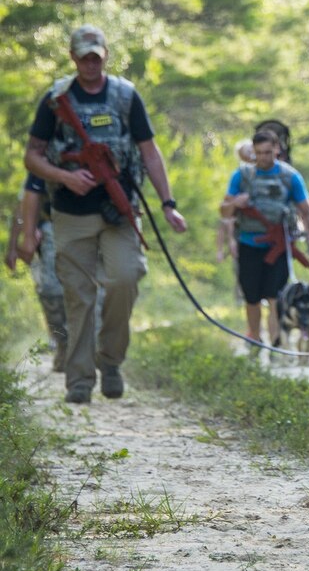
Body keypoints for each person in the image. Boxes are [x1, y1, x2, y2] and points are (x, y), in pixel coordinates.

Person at [24, 24, 188, 404]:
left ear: (105, 56)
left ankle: (110, 360)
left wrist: (168, 204)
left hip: (120, 209)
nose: (90, 63)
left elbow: (149, 151)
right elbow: (32, 155)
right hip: (70, 211)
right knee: (78, 297)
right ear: (73, 58)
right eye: (84, 57)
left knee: (124, 279)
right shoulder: (55, 99)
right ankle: (79, 380)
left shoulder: (126, 96)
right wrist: (66, 175)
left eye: (96, 56)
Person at [220, 128, 309, 352]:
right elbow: (223, 211)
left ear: (277, 150)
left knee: (275, 297)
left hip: (279, 248)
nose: (263, 157)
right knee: (251, 298)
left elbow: (308, 212)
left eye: (268, 152)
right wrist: (235, 204)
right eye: (259, 152)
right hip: (249, 245)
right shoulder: (241, 176)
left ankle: (276, 347)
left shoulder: (290, 177)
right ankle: (255, 341)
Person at [5, 175, 69, 371]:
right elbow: (22, 206)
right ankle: (63, 342)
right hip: (49, 232)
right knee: (50, 290)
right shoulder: (40, 166)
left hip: (88, 230)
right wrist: (14, 244)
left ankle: (85, 347)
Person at [216, 139, 254, 302]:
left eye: (251, 151)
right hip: (242, 236)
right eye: (245, 153)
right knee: (245, 278)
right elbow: (224, 218)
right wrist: (226, 243)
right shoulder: (239, 178)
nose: (249, 155)